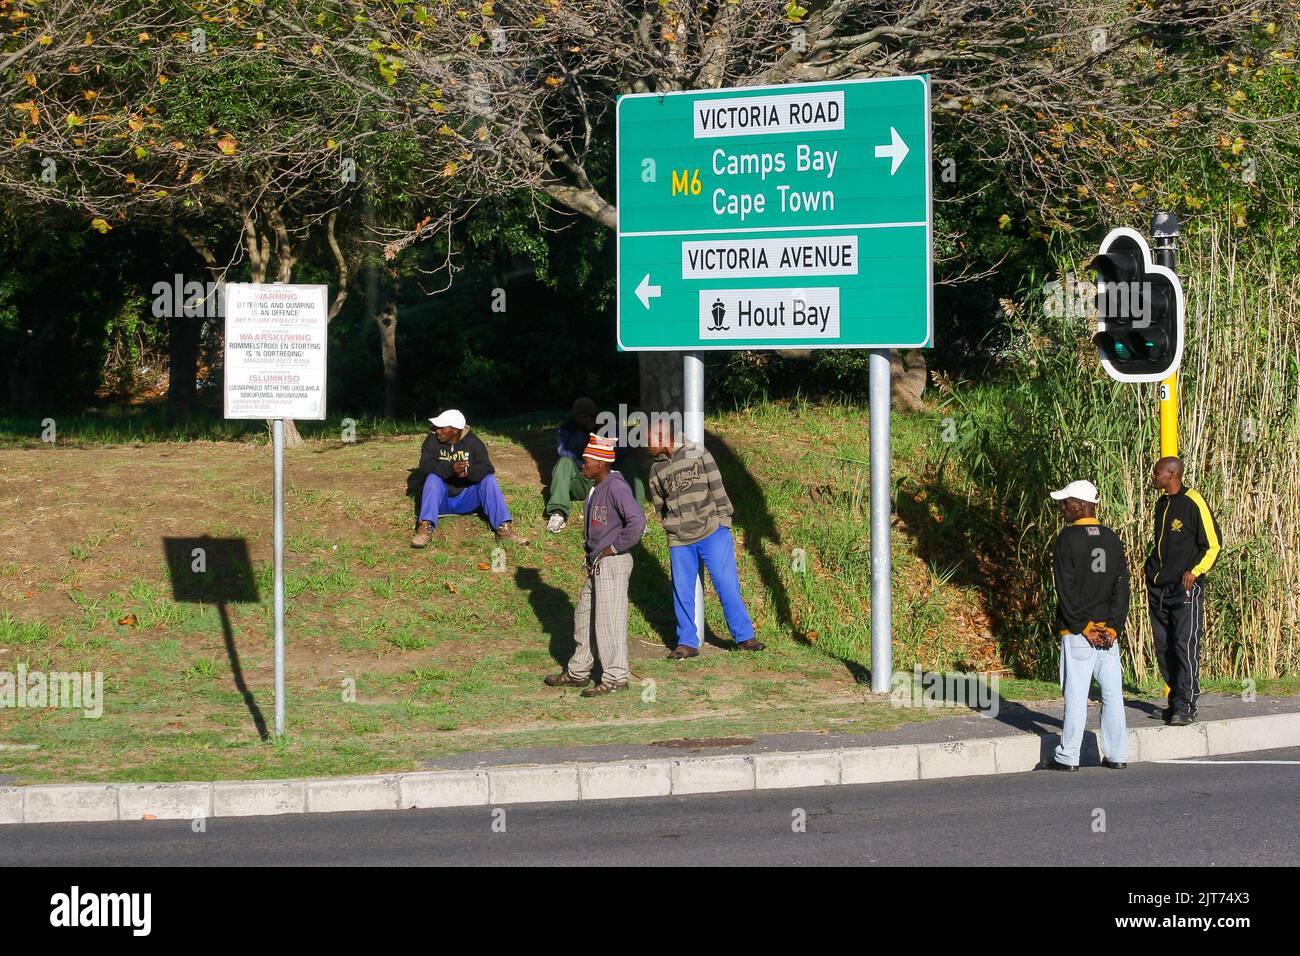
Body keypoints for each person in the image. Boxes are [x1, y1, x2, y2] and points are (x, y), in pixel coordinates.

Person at [646, 420, 764, 659]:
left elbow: (716, 485)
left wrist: (723, 520)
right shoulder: (656, 470)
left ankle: (745, 637)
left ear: (662, 438)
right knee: (682, 591)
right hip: (680, 540)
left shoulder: (697, 452)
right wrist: (671, 528)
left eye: (648, 440)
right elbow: (660, 505)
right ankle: (687, 642)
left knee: (726, 584)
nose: (645, 446)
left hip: (712, 532)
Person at [543, 435, 647, 697]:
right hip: (598, 563)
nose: (582, 465)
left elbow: (637, 522)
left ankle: (616, 677)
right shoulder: (595, 488)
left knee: (610, 621)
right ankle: (579, 672)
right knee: (584, 616)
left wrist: (614, 548)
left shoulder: (616, 487)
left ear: (601, 464)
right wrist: (592, 556)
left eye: (587, 460)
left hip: (613, 562)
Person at [1048, 479, 1130, 771]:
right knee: (1112, 696)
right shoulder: (1111, 538)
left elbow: (1066, 588)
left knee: (1076, 695)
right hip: (1108, 634)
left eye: (1066, 502)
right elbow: (1122, 587)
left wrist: (1083, 626)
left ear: (1081, 505)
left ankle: (1069, 756)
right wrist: (1113, 627)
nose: (1062, 507)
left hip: (1078, 633)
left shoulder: (1067, 538)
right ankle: (1117, 754)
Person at [1144, 456, 1221, 725]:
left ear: (1172, 474)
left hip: (1184, 587)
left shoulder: (1193, 502)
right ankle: (1174, 701)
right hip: (1159, 586)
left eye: (1157, 473)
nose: (1153, 477)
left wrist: (1194, 571)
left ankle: (1187, 705)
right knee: (1164, 646)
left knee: (1183, 643)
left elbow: (1213, 545)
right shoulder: (1162, 503)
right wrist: (1150, 571)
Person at [410, 409, 524, 547]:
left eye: (442, 428)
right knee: (433, 478)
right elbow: (424, 467)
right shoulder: (432, 440)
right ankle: (425, 528)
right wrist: (450, 469)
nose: (437, 431)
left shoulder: (474, 443)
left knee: (489, 479)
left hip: (467, 500)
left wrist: (469, 472)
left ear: (455, 430)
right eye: (436, 427)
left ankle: (503, 529)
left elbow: (488, 468)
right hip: (440, 502)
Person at [545, 399, 647, 533]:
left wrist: (603, 438)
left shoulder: (608, 426)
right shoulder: (568, 428)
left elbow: (625, 450)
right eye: (580, 417)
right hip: (583, 481)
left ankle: (637, 515)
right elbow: (563, 451)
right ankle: (558, 512)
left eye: (587, 417)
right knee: (564, 462)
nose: (584, 420)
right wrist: (583, 433)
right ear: (575, 417)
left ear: (594, 416)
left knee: (630, 463)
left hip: (609, 482)